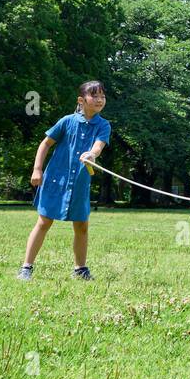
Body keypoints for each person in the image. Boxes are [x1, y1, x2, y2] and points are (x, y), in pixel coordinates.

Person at [19, 80, 111, 281]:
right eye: (94, 96)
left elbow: (99, 145)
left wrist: (92, 154)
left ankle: (80, 269)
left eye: (102, 96)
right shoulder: (66, 121)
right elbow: (45, 143)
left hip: (79, 183)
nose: (99, 100)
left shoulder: (104, 125)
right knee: (43, 222)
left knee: (82, 225)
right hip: (55, 180)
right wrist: (37, 170)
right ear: (81, 100)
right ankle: (26, 267)